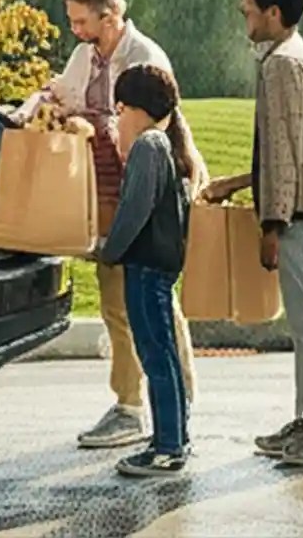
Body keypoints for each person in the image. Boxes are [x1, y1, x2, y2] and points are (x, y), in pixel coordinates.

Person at [202, 0, 303, 468]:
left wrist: (273, 225)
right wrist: (236, 183)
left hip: (301, 215)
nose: (244, 16)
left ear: (273, 12)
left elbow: (285, 153)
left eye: (249, 8)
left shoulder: (282, 66)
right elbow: (289, 151)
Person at [49, 0, 203, 450]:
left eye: (81, 21)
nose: (74, 30)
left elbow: (161, 131)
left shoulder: (145, 59)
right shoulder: (84, 57)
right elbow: (63, 96)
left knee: (155, 304)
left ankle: (176, 404)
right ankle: (130, 405)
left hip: (146, 191)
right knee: (117, 303)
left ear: (110, 16)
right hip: (104, 192)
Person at [95, 64, 199, 477]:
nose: (118, 117)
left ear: (136, 108)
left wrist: (108, 250)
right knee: (163, 355)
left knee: (156, 357)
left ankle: (167, 447)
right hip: (161, 268)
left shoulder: (148, 147)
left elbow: (133, 211)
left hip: (145, 269)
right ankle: (172, 440)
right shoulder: (167, 144)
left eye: (120, 107)